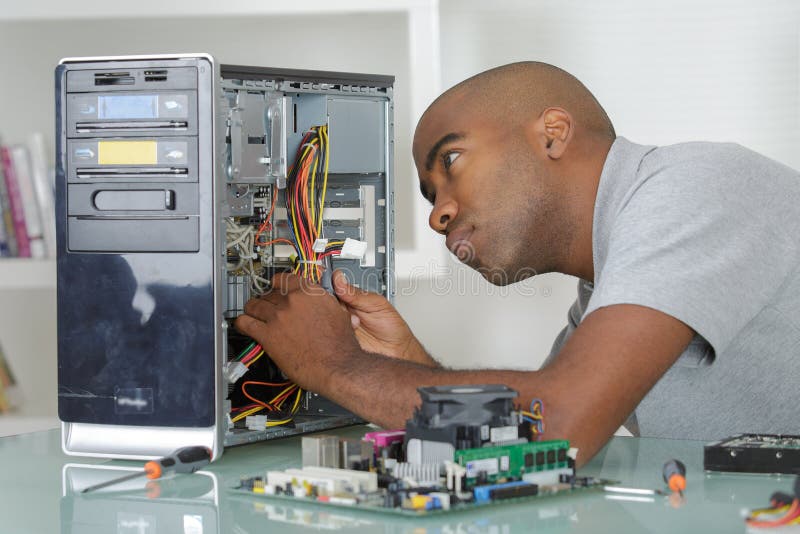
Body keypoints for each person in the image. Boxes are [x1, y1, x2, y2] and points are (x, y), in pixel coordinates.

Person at [235, 62, 800, 466]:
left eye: (451, 161)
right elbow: (520, 436)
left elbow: (558, 427)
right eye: (430, 197)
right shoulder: (600, 293)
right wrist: (403, 361)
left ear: (552, 133)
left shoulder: (697, 185)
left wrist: (335, 364)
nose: (438, 215)